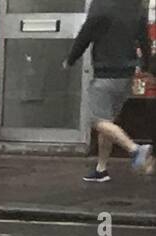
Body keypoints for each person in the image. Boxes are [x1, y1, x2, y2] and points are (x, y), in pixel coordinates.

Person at [65, 0, 153, 182]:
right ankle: (101, 168)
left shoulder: (100, 4)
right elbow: (144, 38)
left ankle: (136, 149)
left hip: (106, 72)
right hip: (126, 74)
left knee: (96, 120)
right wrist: (146, 65)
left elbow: (86, 34)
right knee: (108, 122)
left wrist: (71, 59)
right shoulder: (136, 6)